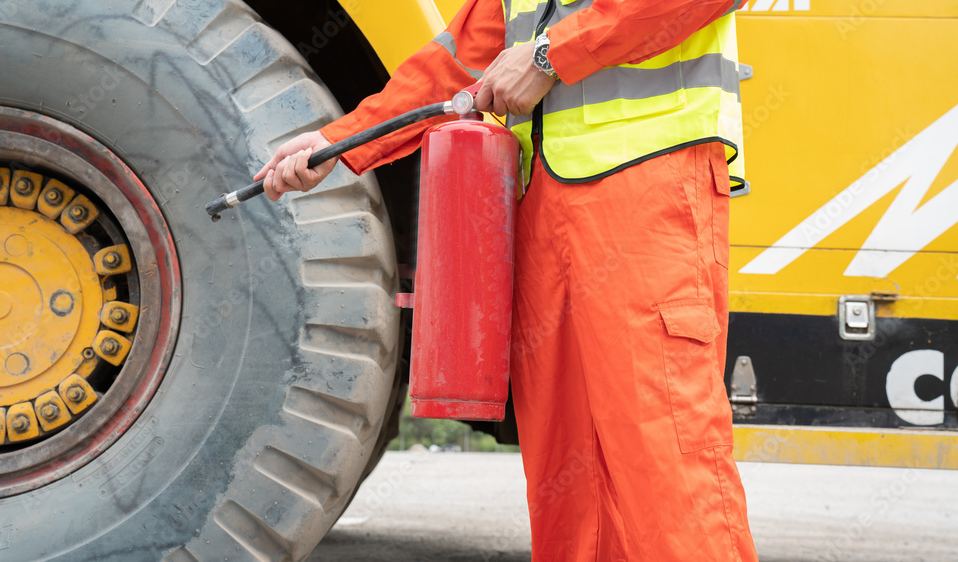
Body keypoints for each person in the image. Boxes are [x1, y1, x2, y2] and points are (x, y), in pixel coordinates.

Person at [255, 0, 757, 559]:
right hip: (543, 206)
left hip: (647, 193)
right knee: (567, 484)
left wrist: (549, 57)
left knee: (663, 458)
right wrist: (341, 141)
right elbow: (462, 59)